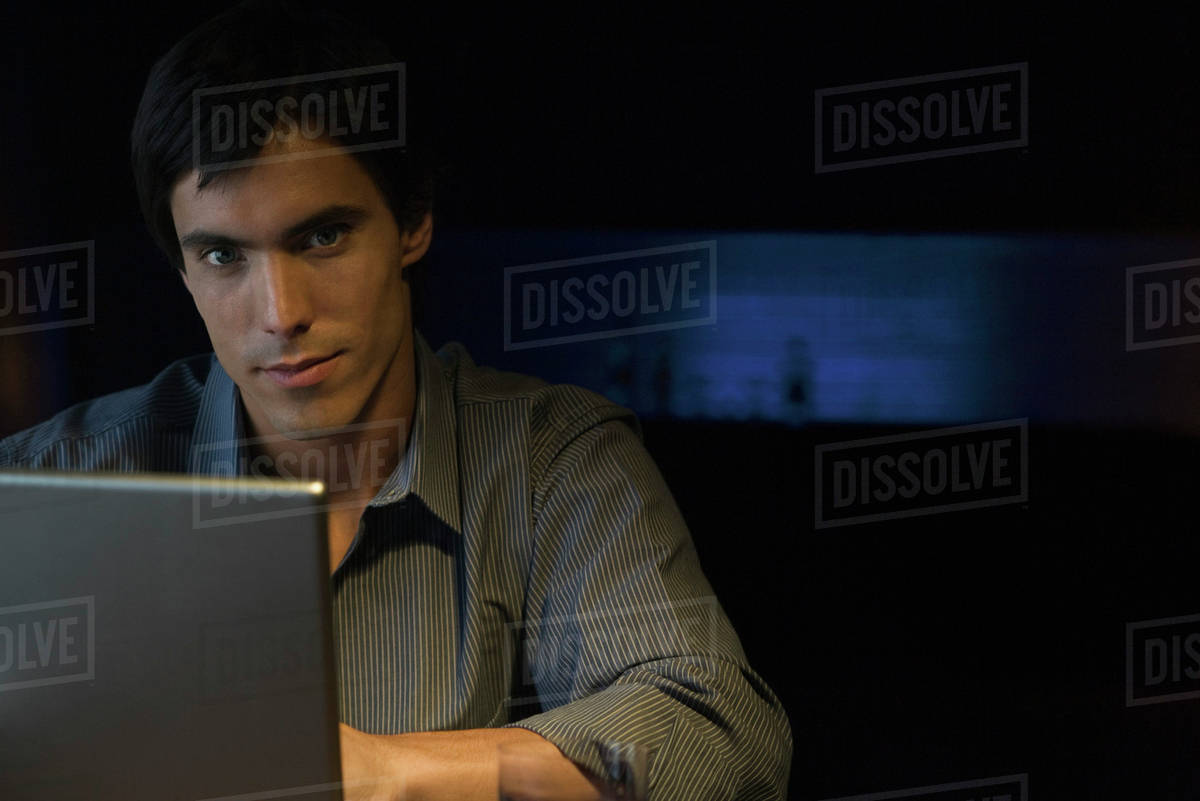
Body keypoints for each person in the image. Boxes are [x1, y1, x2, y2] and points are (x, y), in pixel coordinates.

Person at [0, 1, 793, 798]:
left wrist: (386, 774)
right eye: (222, 254)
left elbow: (713, 729)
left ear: (412, 223)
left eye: (323, 236)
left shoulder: (549, 460)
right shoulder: (45, 482)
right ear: (181, 266)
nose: (280, 313)